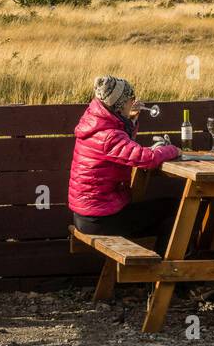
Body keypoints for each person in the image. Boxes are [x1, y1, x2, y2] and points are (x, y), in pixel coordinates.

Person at [68, 76, 182, 243]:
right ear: (120, 104)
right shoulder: (109, 136)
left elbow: (123, 146)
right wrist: (173, 150)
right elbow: (146, 158)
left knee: (169, 213)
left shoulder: (96, 124)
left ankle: (164, 264)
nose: (134, 102)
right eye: (131, 98)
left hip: (89, 214)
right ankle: (167, 268)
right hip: (101, 218)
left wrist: (131, 119)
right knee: (176, 211)